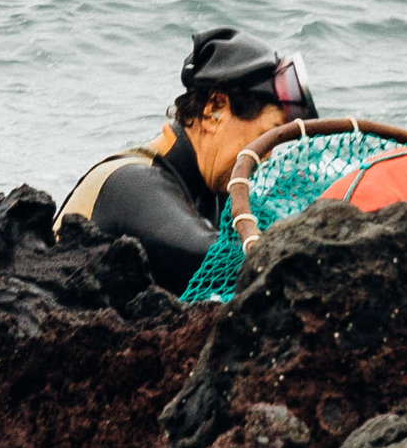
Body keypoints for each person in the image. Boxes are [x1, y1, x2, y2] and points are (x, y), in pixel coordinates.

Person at [54, 27, 314, 293]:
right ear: (215, 109)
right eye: (265, 137)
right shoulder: (131, 183)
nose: (267, 156)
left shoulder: (211, 196)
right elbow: (210, 258)